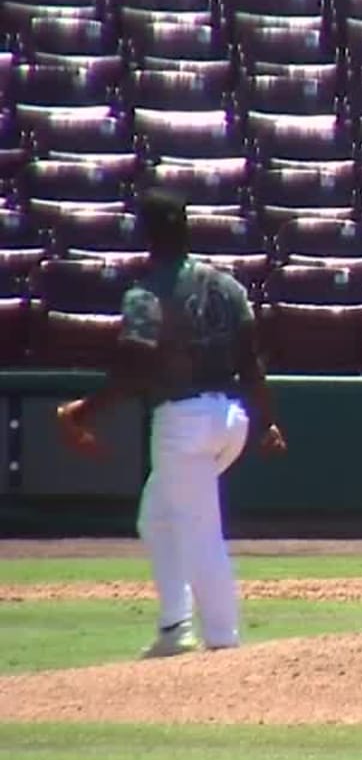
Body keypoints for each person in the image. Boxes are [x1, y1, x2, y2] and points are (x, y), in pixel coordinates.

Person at [56, 189, 287, 658]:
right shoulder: (226, 285)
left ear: (147, 235)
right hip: (229, 422)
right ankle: (174, 626)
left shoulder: (145, 293)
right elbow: (251, 362)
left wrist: (84, 411)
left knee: (198, 529)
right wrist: (266, 422)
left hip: (184, 424)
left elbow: (137, 366)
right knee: (158, 518)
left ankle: (223, 641)